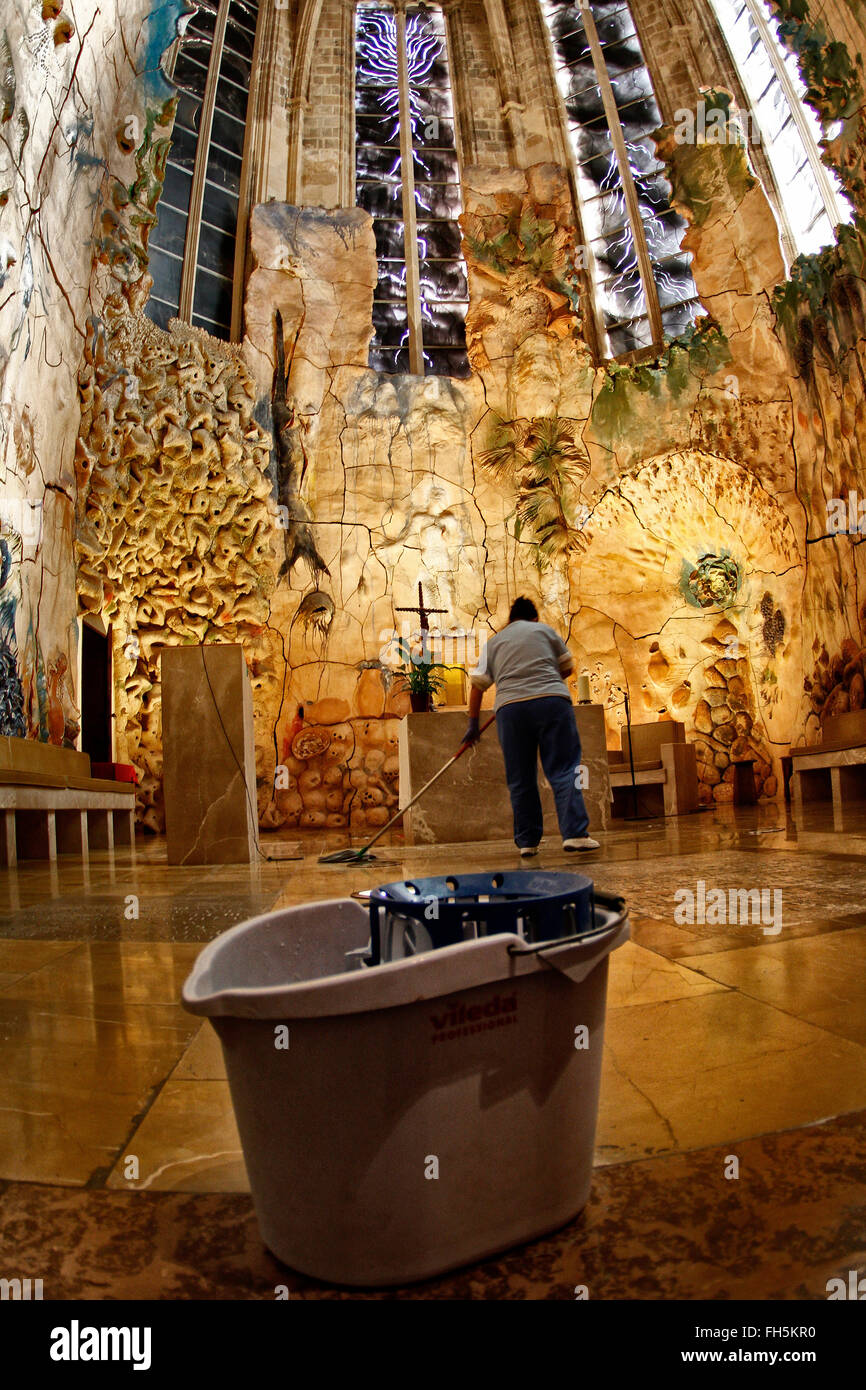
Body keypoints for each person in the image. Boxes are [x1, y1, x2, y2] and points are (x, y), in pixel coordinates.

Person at [463, 597, 599, 856]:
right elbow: (567, 667)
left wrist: (473, 724)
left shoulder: (494, 642)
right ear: (534, 617)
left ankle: (527, 841)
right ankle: (575, 835)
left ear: (511, 619)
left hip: (510, 709)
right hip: (552, 702)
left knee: (520, 778)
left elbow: (477, 685)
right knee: (565, 769)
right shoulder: (544, 631)